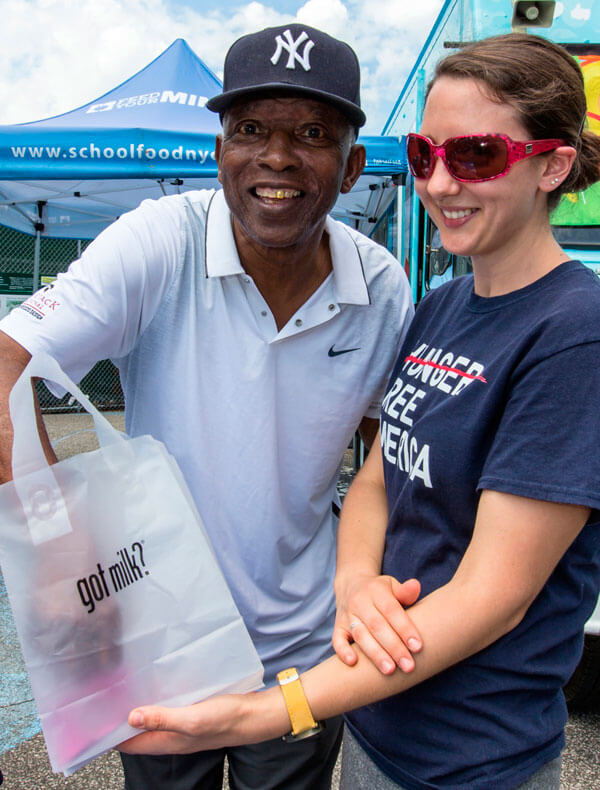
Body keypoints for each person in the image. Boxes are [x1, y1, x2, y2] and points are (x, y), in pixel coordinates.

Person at [119, 33, 600, 790]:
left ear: (554, 164)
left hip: (474, 754)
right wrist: (355, 584)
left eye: (475, 156)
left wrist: (260, 715)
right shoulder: (444, 305)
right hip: (379, 722)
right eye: (423, 155)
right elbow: (379, 476)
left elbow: (491, 599)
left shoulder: (575, 331)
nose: (441, 183)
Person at [0, 23, 419, 790]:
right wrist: (63, 547)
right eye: (250, 129)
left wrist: (365, 582)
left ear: (354, 167)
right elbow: (6, 366)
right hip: (163, 646)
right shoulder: (158, 243)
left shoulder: (383, 288)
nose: (278, 156)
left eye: (313, 133)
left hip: (303, 658)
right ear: (218, 149)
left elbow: (387, 459)